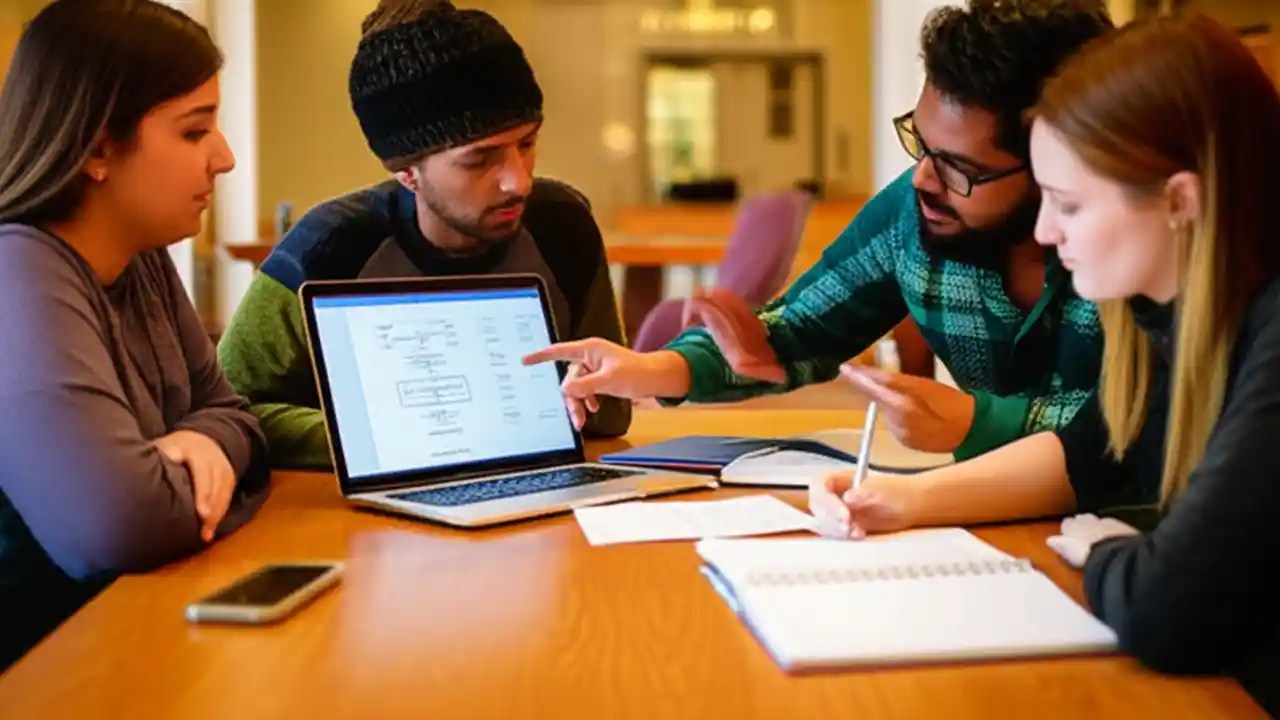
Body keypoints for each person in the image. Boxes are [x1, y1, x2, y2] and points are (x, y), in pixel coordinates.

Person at [810, 15, 1280, 713]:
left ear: (1181, 200)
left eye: (1070, 204)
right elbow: (1094, 451)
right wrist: (903, 499)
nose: (1043, 232)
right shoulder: (1183, 317)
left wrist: (1109, 555)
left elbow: (1166, 610)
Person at [524, 0, 1112, 462]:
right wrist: (656, 369)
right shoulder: (916, 217)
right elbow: (798, 330)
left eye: (962, 169)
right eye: (921, 145)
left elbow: (1158, 429)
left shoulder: (1141, 250)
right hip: (997, 519)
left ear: (1058, 159)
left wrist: (973, 422)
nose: (922, 181)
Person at [217, 0, 630, 470]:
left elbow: (611, 411)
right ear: (407, 173)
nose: (520, 181)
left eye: (527, 143)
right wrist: (399, 438)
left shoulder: (562, 226)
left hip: (537, 502)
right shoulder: (329, 247)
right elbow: (225, 412)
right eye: (480, 159)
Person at [0, 0, 270, 670]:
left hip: (132, 643)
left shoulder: (140, 256)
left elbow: (240, 418)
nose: (226, 158)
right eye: (193, 132)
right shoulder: (17, 270)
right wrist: (198, 477)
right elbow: (119, 526)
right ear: (96, 146)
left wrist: (204, 440)